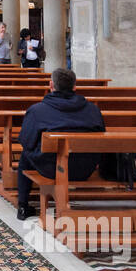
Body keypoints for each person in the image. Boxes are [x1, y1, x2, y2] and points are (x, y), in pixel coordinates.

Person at [15, 68, 105, 220]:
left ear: (51, 85)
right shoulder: (93, 110)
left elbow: (26, 141)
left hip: (51, 168)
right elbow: (101, 139)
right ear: (75, 86)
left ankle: (23, 205)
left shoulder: (38, 110)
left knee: (25, 155)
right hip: (85, 169)